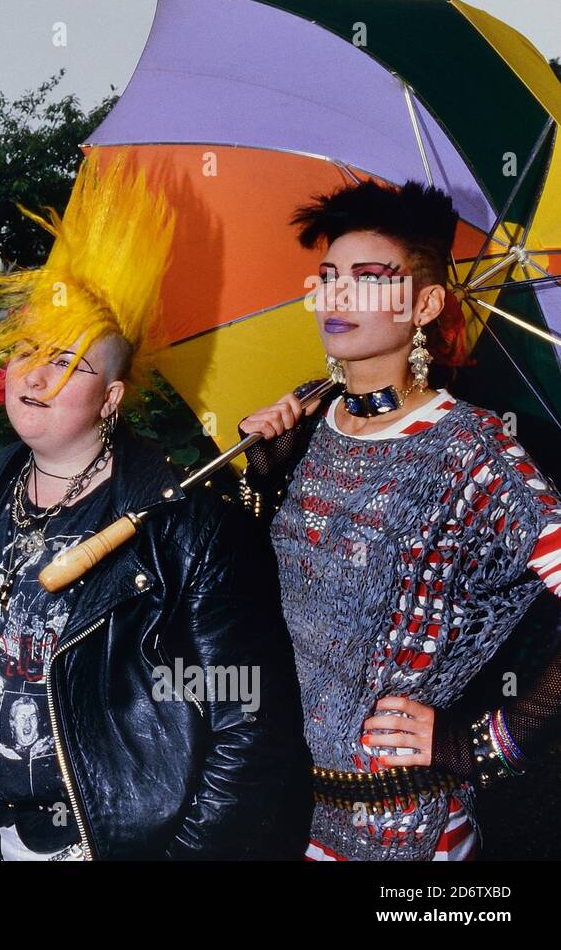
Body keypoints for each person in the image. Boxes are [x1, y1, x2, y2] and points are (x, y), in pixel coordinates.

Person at [0, 154, 310, 861]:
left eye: (68, 360)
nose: (36, 372)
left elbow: (248, 725)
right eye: (27, 348)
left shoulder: (186, 531)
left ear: (111, 397)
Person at [240, 179, 561, 860]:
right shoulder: (305, 422)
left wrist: (484, 742)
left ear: (425, 304)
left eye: (368, 277)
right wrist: (262, 482)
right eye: (327, 277)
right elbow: (260, 605)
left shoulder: (471, 447)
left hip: (413, 832)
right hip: (293, 816)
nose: (337, 295)